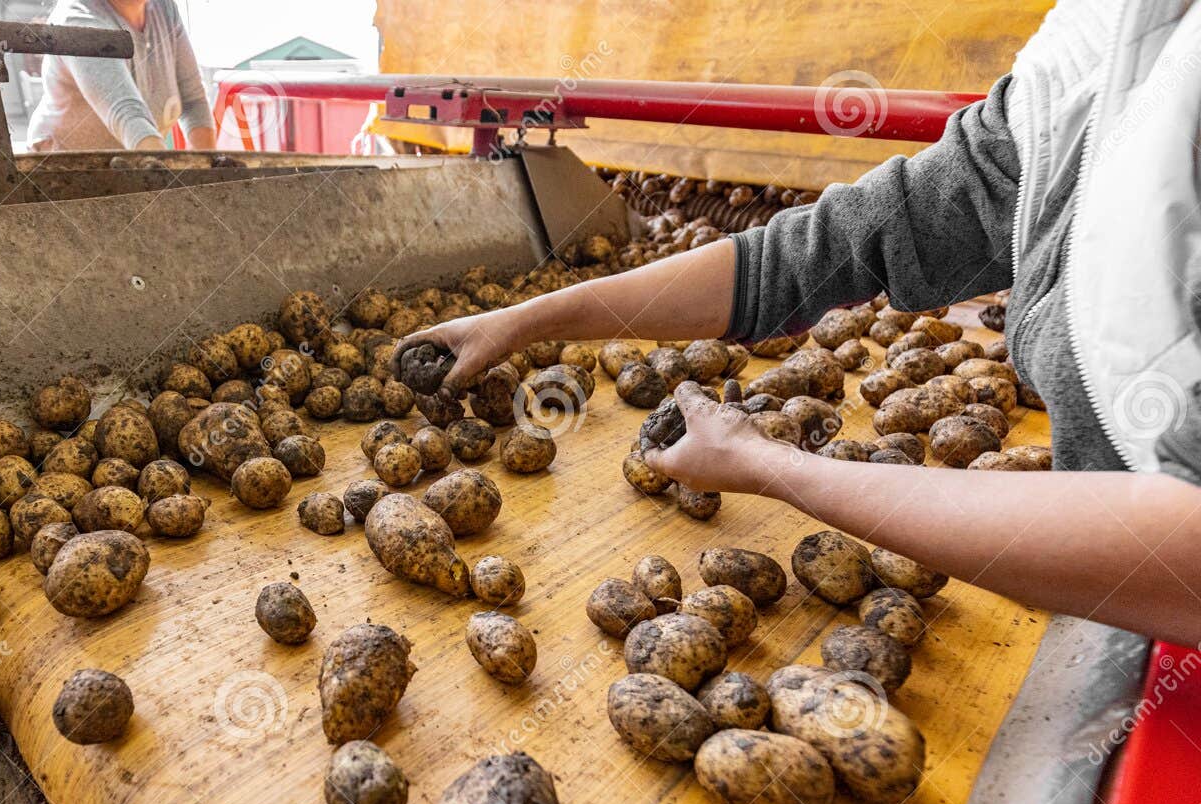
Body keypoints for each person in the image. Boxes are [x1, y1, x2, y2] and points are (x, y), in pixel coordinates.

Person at [396, 0, 1201, 647]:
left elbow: (1182, 554)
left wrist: (777, 469)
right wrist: (531, 320)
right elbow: (819, 252)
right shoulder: (1101, 49)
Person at [26, 0, 216, 153]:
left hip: (130, 165)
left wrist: (208, 174)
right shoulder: (78, 19)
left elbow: (193, 101)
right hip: (66, 173)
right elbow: (128, 116)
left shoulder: (164, 8)